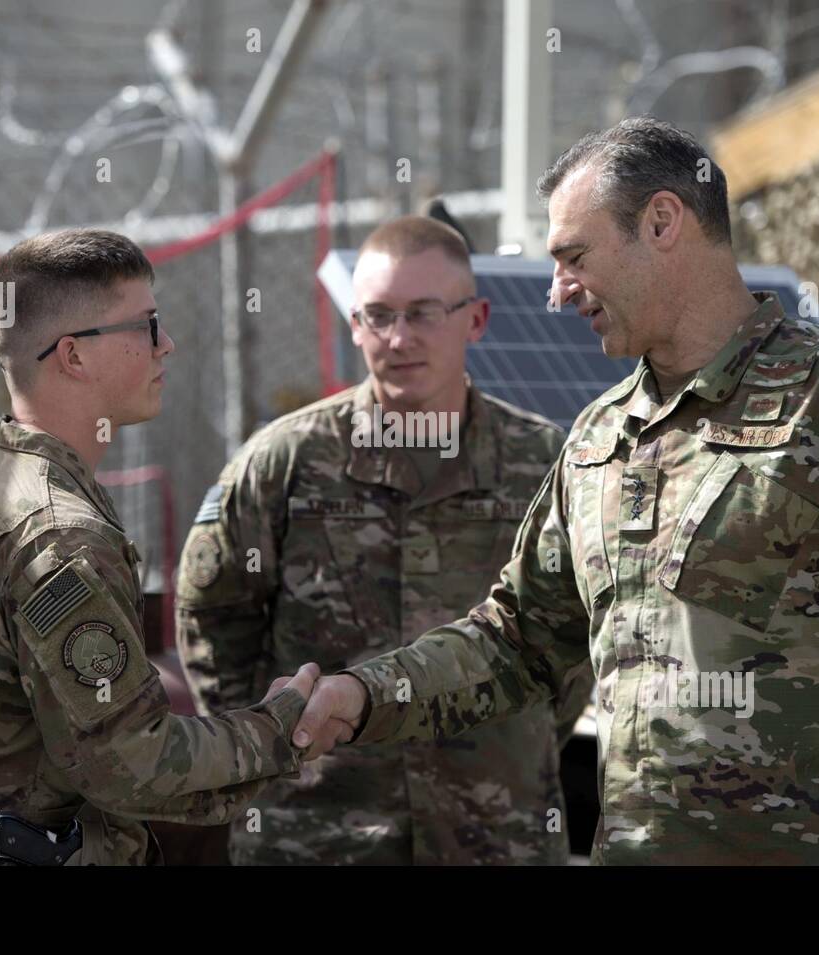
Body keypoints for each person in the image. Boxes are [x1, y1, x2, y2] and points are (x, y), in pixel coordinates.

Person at [284, 118, 819, 865]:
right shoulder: (596, 440)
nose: (556, 291)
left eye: (574, 255)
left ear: (661, 222)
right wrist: (364, 694)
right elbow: (514, 640)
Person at [0, 228, 340, 866]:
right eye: (148, 326)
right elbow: (133, 765)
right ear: (73, 356)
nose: (168, 345)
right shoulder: (61, 534)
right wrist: (282, 727)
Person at [176, 216, 592, 865]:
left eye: (424, 313)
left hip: (493, 831)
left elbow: (570, 646)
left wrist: (513, 740)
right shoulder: (285, 463)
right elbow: (212, 616)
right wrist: (279, 743)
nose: (399, 338)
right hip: (321, 835)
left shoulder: (546, 464)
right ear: (353, 326)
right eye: (378, 315)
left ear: (476, 319)